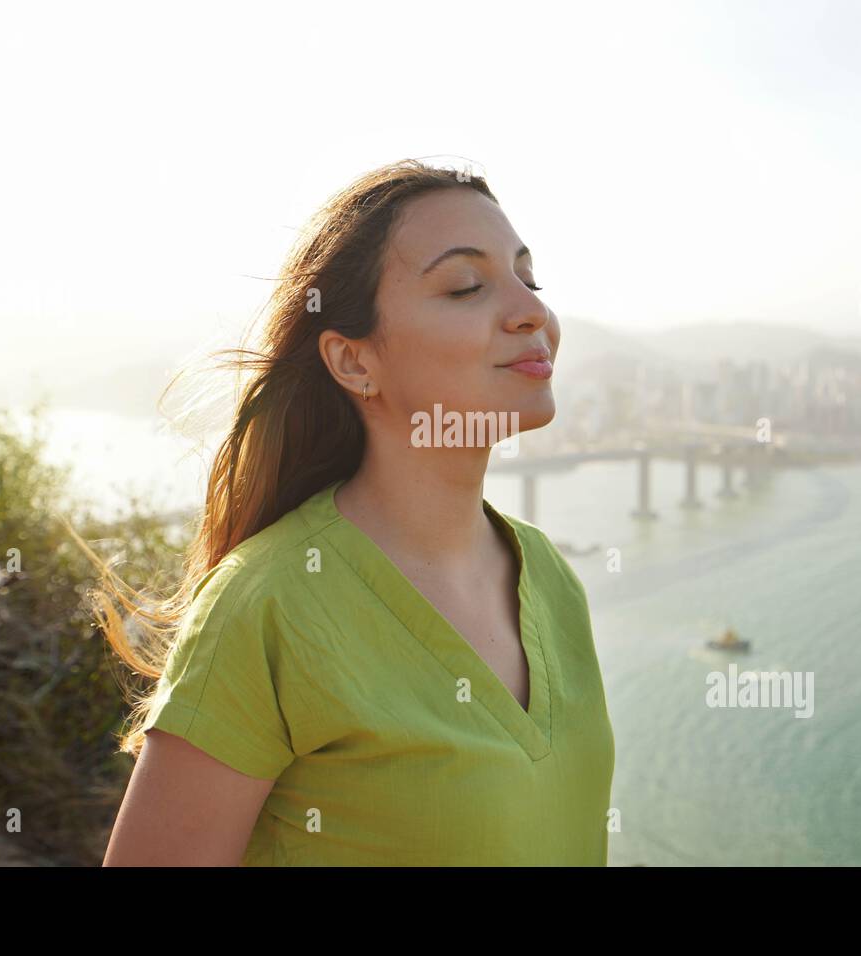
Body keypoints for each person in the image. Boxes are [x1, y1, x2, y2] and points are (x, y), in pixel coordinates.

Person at [91, 159, 615, 866]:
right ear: (354, 363)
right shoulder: (269, 601)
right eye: (466, 285)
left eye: (530, 278)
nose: (532, 312)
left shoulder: (549, 578)